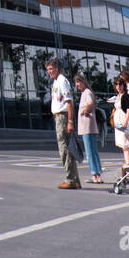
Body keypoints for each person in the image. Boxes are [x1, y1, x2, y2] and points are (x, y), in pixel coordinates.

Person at [46, 58, 80, 189]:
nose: (49, 72)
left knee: (64, 148)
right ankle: (75, 179)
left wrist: (70, 121)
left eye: (51, 69)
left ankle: (70, 179)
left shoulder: (62, 81)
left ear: (57, 68)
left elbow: (69, 102)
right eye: (48, 69)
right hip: (58, 116)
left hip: (62, 117)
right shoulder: (56, 82)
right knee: (68, 149)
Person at [74, 74, 104, 184]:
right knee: (93, 151)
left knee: (89, 152)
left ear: (83, 82)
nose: (77, 85)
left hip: (86, 126)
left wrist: (85, 111)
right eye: (76, 83)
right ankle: (98, 174)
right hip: (90, 126)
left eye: (79, 82)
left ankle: (94, 175)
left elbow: (91, 103)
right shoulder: (88, 92)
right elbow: (93, 103)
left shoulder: (86, 93)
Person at [111, 77, 129, 171]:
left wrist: (125, 122)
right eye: (116, 84)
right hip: (118, 121)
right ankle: (128, 165)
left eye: (120, 84)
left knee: (125, 144)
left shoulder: (126, 96)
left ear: (124, 85)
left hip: (123, 120)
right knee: (122, 144)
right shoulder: (118, 96)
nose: (118, 86)